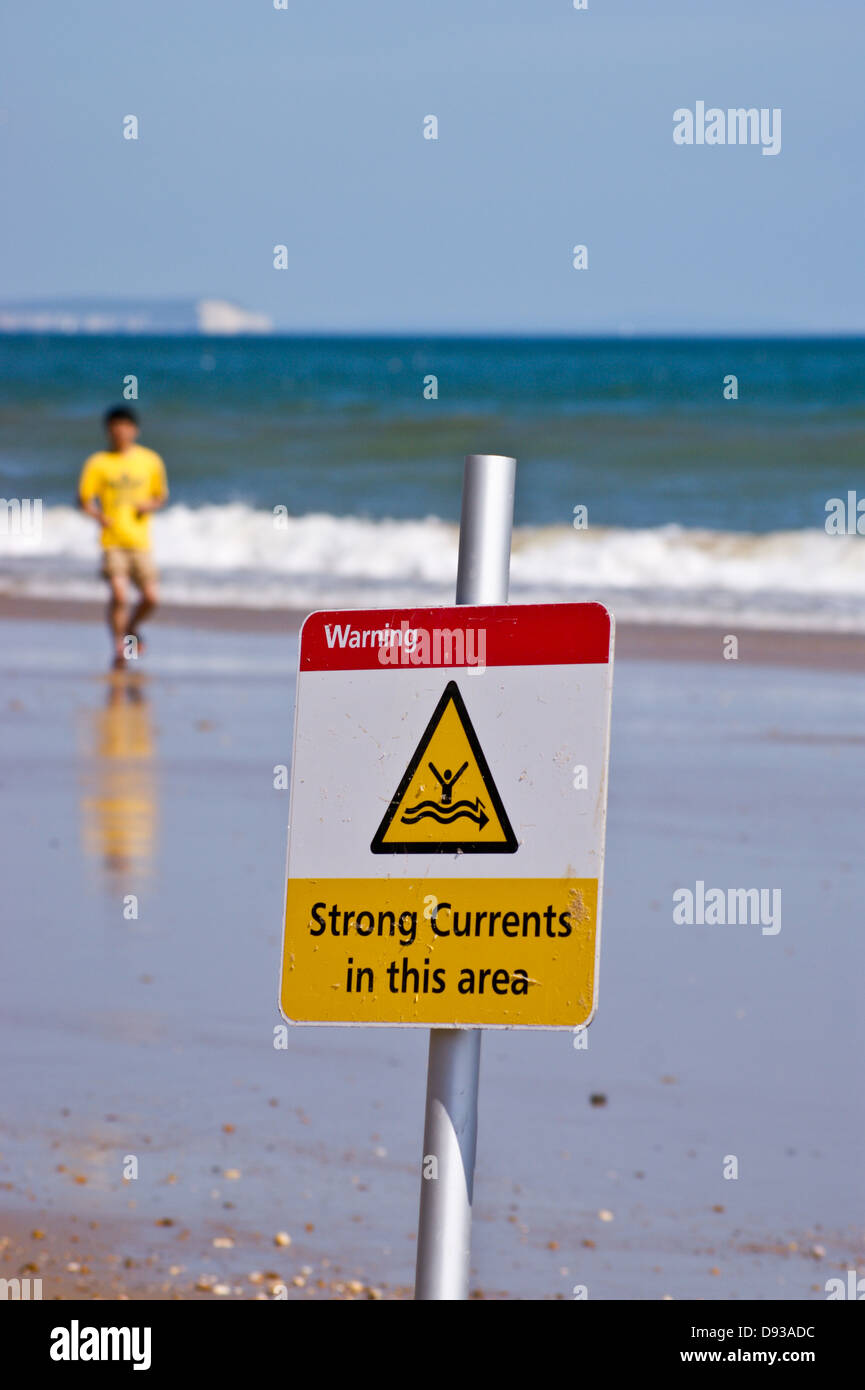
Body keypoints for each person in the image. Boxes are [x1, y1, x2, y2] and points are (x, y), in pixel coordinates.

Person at [78, 407, 169, 669]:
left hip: (140, 541)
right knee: (119, 596)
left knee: (151, 598)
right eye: (115, 426)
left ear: (135, 430)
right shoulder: (98, 462)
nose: (120, 431)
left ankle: (131, 627)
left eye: (125, 426)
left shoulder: (150, 460)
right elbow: (84, 500)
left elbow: (160, 497)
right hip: (112, 540)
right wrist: (98, 516)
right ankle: (120, 645)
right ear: (108, 431)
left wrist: (148, 506)